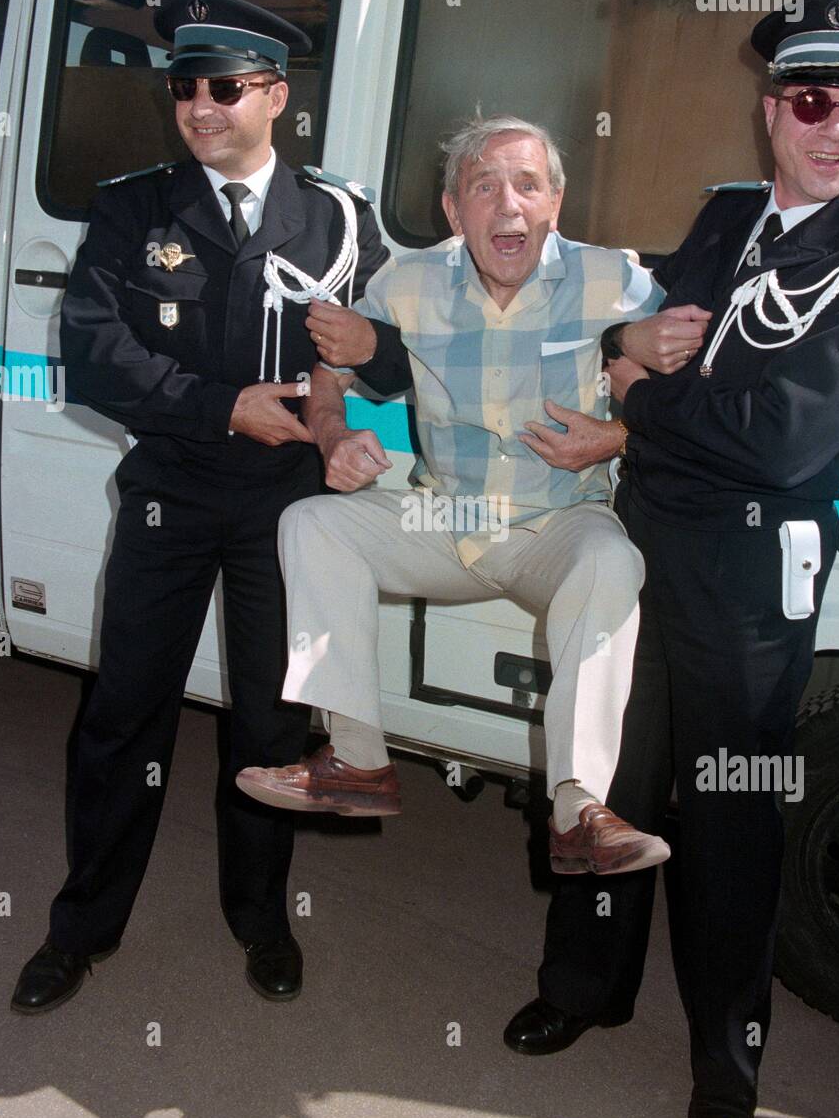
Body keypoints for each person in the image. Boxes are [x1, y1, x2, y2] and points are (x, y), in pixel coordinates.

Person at [503, 0, 839, 1118]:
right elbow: (633, 324)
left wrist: (637, 403)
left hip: (751, 575)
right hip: (640, 543)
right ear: (770, 112)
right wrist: (615, 354)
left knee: (733, 821)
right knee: (604, 783)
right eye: (810, 99)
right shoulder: (724, 213)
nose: (833, 125)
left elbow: (785, 437)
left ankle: (723, 1063)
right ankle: (583, 987)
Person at [11, 0, 409, 1013]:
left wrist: (371, 362)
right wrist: (221, 407)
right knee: (121, 714)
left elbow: (395, 362)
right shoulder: (133, 207)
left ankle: (261, 915)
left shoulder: (338, 215)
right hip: (168, 499)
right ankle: (81, 927)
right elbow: (94, 358)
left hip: (286, 513)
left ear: (275, 95)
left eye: (224, 88)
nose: (199, 106)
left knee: (271, 726)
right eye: (184, 87)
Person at [235, 115, 695, 875]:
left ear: (555, 201)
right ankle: (355, 761)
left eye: (526, 185)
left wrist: (614, 439)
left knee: (613, 562)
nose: (507, 205)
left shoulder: (615, 279)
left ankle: (579, 809)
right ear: (453, 210)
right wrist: (329, 435)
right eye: (484, 187)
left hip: (561, 522)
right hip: (443, 517)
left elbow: (687, 395)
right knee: (313, 524)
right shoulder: (409, 281)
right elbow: (331, 373)